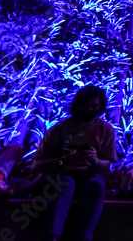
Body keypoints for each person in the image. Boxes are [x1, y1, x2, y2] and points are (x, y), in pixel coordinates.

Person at [31, 85, 117, 241]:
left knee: (97, 184)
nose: (90, 110)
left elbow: (106, 166)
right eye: (86, 106)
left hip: (87, 176)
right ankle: (52, 236)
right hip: (58, 176)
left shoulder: (106, 130)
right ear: (78, 105)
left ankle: (83, 237)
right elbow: (36, 165)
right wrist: (64, 160)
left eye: (94, 107)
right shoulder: (60, 129)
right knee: (66, 183)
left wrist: (95, 159)